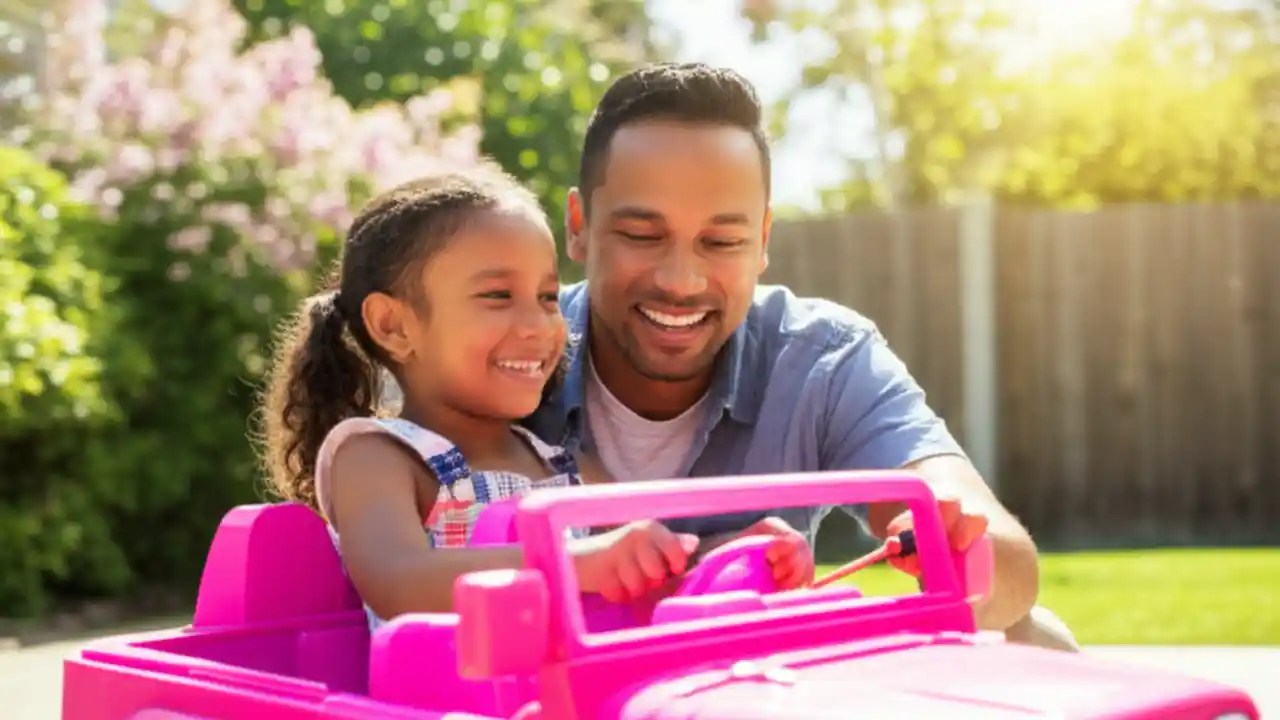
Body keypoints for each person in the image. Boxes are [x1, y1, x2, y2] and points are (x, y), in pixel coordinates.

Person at [524, 62, 1079, 651]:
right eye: (641, 235)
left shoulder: (823, 358)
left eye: (721, 242)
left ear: (763, 240)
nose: (681, 281)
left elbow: (1010, 568)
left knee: (1042, 640)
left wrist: (958, 545)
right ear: (579, 227)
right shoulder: (504, 348)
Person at [256, 163, 811, 628]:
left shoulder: (567, 469)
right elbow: (400, 581)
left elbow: (653, 564)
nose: (538, 325)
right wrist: (575, 562)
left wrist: (736, 552)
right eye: (498, 295)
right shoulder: (378, 456)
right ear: (394, 325)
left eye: (548, 296)